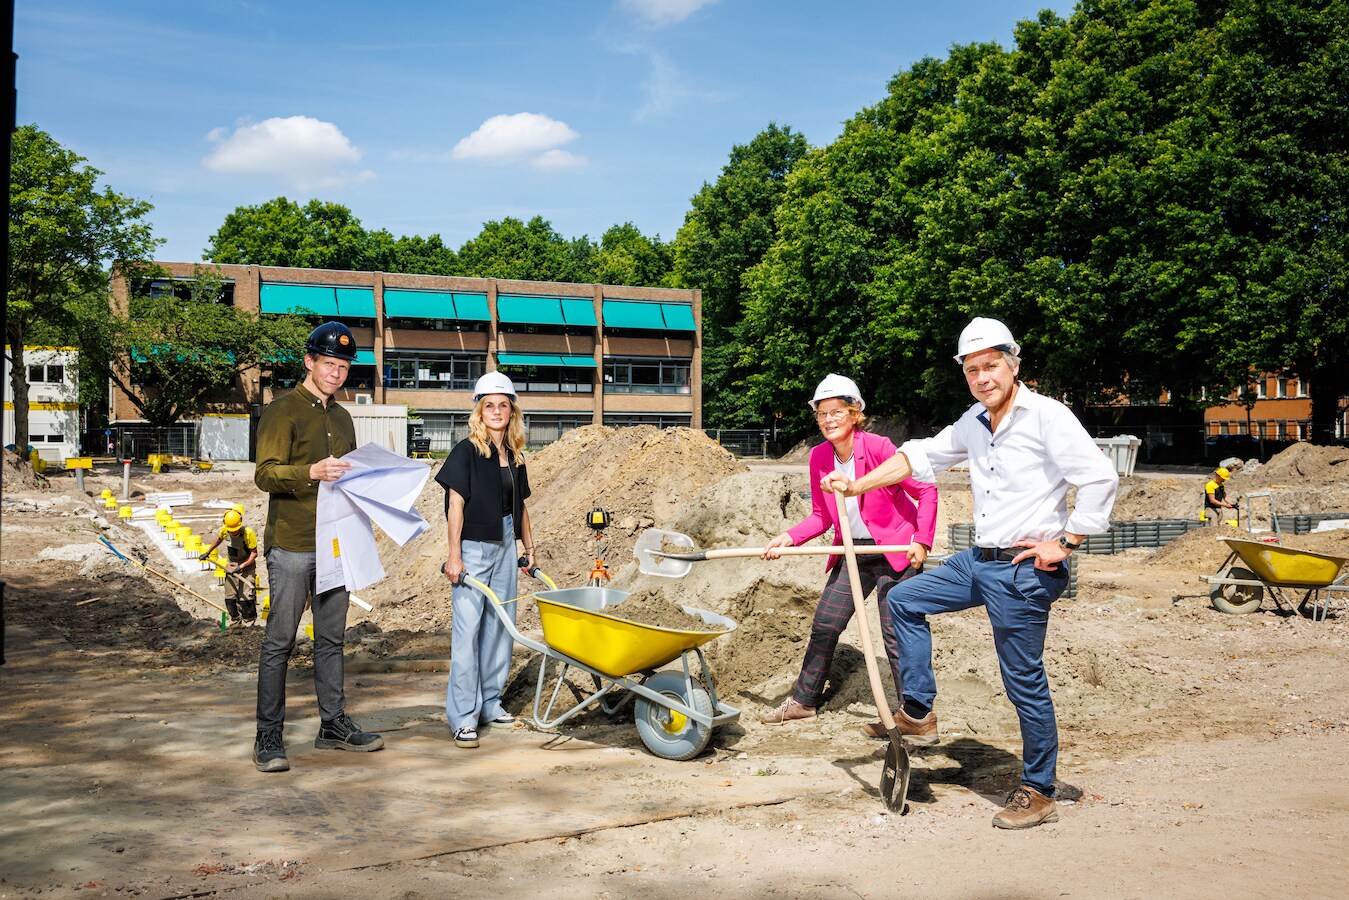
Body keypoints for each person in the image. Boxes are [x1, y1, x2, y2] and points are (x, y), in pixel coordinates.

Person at [822, 317, 1118, 830]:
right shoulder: (975, 421)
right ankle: (918, 710)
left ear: (1013, 364)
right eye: (973, 369)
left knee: (1022, 680)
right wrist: (857, 486)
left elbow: (1099, 477)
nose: (983, 377)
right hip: (979, 560)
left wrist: (1066, 541)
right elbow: (918, 455)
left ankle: (1038, 789)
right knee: (905, 599)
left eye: (991, 366)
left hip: (1024, 569)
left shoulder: (1048, 416)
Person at [759, 374, 937, 736]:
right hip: (851, 551)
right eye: (822, 413)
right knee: (825, 623)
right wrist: (788, 538)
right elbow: (821, 517)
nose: (828, 420)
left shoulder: (879, 447)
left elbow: (927, 492)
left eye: (836, 412)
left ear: (855, 414)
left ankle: (913, 718)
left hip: (895, 551)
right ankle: (804, 702)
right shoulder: (820, 456)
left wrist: (922, 540)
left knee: (895, 632)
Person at [251, 321, 384, 773]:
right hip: (291, 545)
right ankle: (268, 736)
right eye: (329, 364)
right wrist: (310, 471)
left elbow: (346, 478)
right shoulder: (282, 411)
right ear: (309, 362)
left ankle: (332, 725)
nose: (336, 373)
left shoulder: (343, 417)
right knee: (279, 642)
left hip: (336, 544)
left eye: (343, 366)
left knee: (331, 639)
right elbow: (265, 474)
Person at [436, 371, 537, 750]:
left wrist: (529, 549)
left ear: (512, 411)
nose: (496, 411)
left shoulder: (515, 455)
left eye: (503, 405)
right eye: (489, 405)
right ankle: (463, 717)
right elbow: (455, 506)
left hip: (506, 543)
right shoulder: (466, 451)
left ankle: (490, 703)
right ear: (479, 410)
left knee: (500, 627)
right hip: (474, 546)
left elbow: (521, 506)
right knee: (467, 633)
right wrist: (454, 556)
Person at [199, 508, 258, 627]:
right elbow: (219, 539)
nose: (233, 532)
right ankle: (235, 621)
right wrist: (208, 552)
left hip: (246, 567)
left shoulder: (248, 533)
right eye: (231, 530)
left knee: (246, 597)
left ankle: (248, 624)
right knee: (230, 597)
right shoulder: (225, 530)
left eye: (235, 530)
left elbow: (254, 553)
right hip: (231, 566)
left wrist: (242, 566)